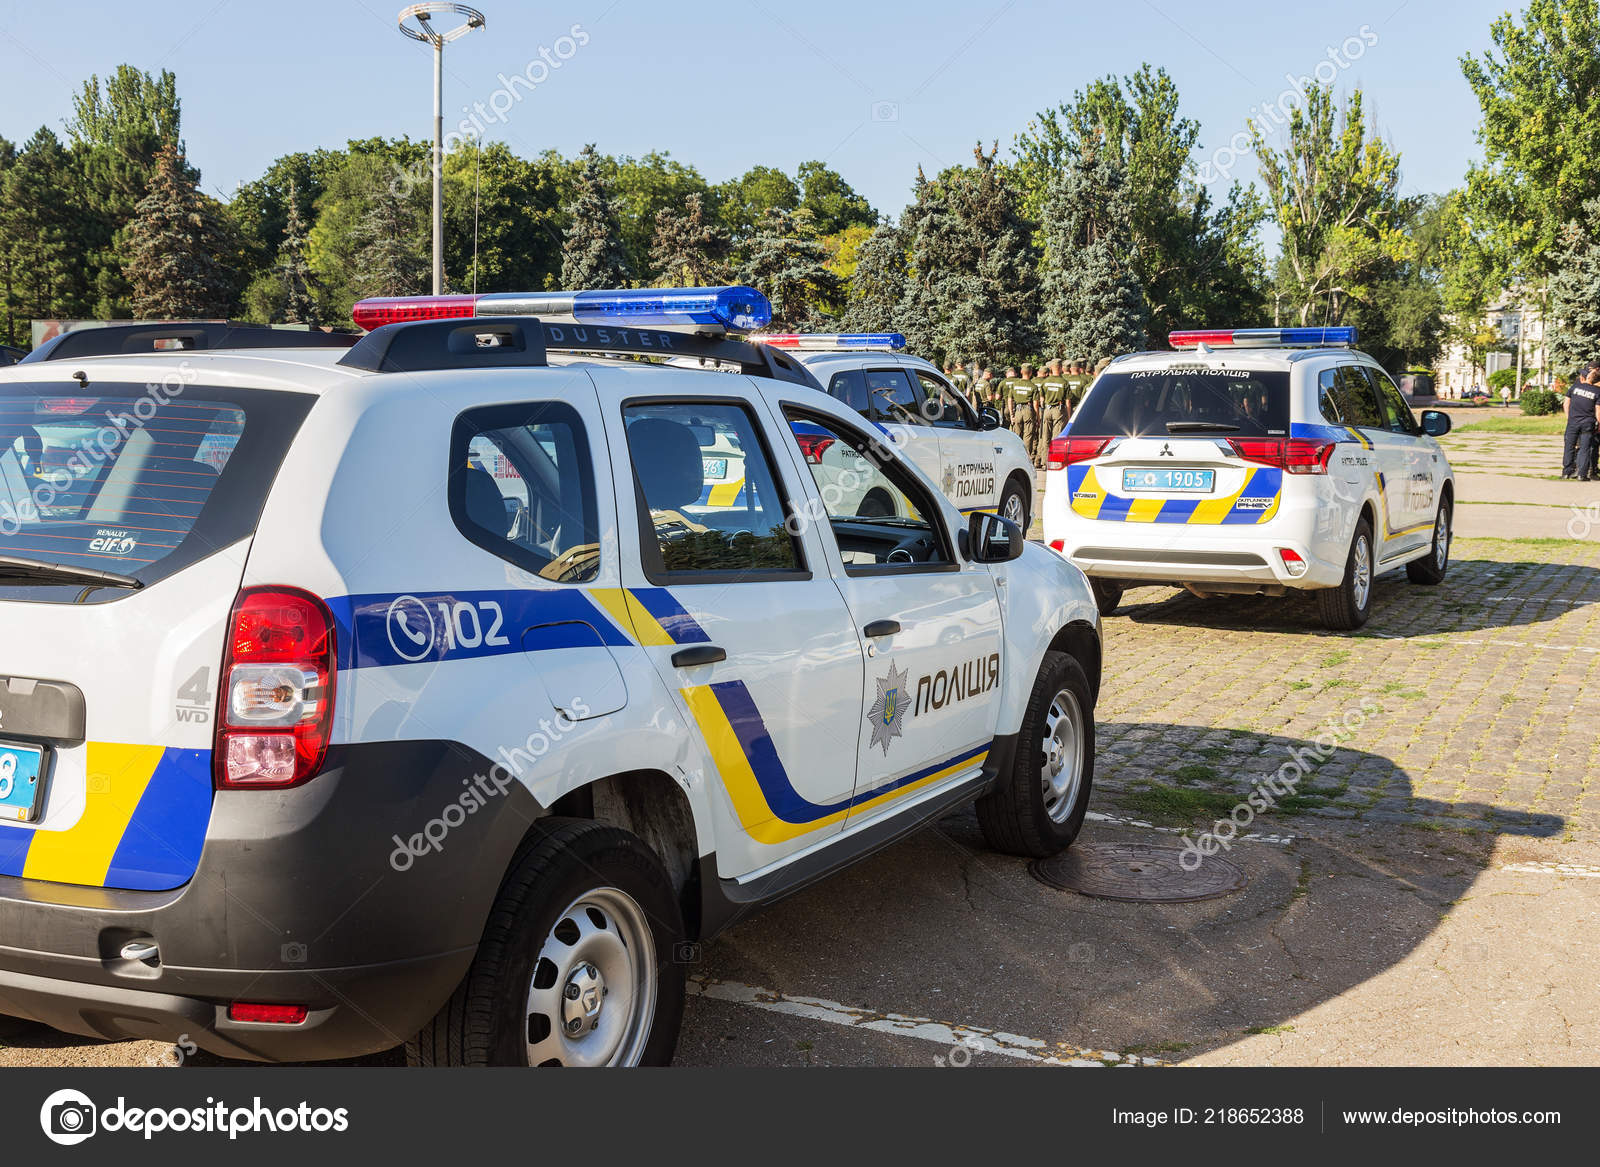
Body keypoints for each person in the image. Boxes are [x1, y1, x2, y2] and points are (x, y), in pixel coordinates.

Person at [1561, 364, 1599, 481]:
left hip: (1573, 422)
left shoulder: (1574, 388)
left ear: (1587, 378)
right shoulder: (1597, 392)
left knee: (1569, 446)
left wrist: (1569, 418)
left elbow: (1566, 404)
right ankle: (1582, 474)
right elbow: (1598, 411)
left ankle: (1567, 472)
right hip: (1588, 423)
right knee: (1585, 448)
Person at [1036, 359, 1068, 466]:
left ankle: (1044, 462)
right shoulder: (1064, 382)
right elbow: (1067, 401)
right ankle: (1054, 461)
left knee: (1045, 436)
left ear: (1051, 368)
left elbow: (1041, 399)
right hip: (1058, 410)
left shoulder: (1045, 382)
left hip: (1047, 410)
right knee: (1056, 437)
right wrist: (1068, 415)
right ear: (1060, 368)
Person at [1010, 363, 1039, 463]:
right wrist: (1037, 417)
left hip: (1017, 410)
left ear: (1021, 372)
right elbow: (1035, 404)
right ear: (1030, 373)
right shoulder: (1033, 386)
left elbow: (1010, 399)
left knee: (1017, 435)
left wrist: (1011, 414)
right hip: (1028, 410)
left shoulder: (1015, 384)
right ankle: (1025, 459)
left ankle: (1015, 457)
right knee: (1028, 436)